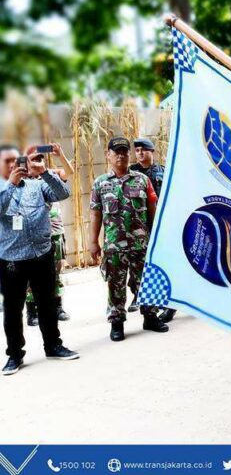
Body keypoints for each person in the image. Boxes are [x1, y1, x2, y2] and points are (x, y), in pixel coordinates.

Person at [0, 144, 80, 375]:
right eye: (7, 162)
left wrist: (44, 171)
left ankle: (53, 345)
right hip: (12, 259)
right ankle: (15, 354)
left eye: (16, 160)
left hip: (42, 254)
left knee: (47, 303)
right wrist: (11, 184)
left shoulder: (37, 185)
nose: (13, 165)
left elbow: (62, 194)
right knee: (13, 310)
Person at [89, 137, 169, 341]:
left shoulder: (142, 180)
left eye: (125, 152)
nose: (122, 156)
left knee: (145, 282)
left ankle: (150, 317)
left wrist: (157, 238)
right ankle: (117, 323)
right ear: (108, 155)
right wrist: (92, 242)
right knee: (114, 285)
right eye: (117, 152)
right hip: (114, 246)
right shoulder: (100, 183)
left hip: (141, 245)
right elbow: (95, 214)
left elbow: (153, 210)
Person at [25, 143, 73, 325]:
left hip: (55, 230)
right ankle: (31, 311)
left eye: (40, 158)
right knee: (31, 273)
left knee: (56, 271)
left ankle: (58, 306)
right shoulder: (22, 179)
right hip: (34, 234)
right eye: (33, 159)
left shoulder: (50, 175)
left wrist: (60, 154)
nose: (37, 162)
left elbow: (69, 172)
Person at [128, 137, 175, 322]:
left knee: (166, 262)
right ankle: (139, 294)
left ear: (151, 151)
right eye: (136, 150)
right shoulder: (132, 173)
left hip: (163, 224)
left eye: (143, 150)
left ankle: (170, 303)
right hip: (141, 226)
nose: (139, 153)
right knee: (140, 263)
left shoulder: (164, 171)